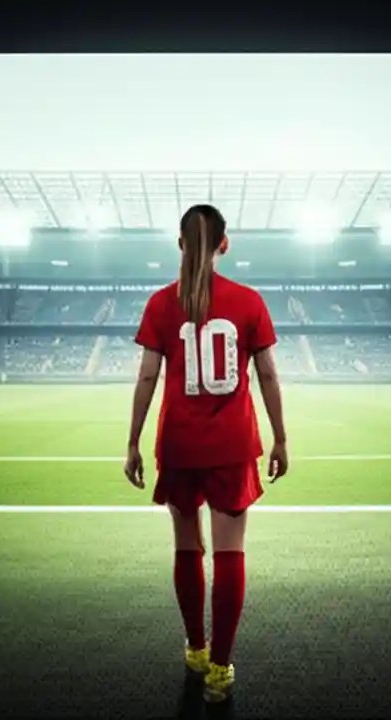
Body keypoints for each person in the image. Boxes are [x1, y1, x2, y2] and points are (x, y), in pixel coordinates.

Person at [123, 203, 289, 703]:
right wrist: (281, 437)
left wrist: (132, 441)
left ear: (180, 244)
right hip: (232, 445)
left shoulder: (160, 303)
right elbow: (268, 376)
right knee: (230, 551)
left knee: (186, 546)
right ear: (225, 243)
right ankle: (221, 668)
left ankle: (196, 648)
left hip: (178, 443)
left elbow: (148, 376)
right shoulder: (249, 301)